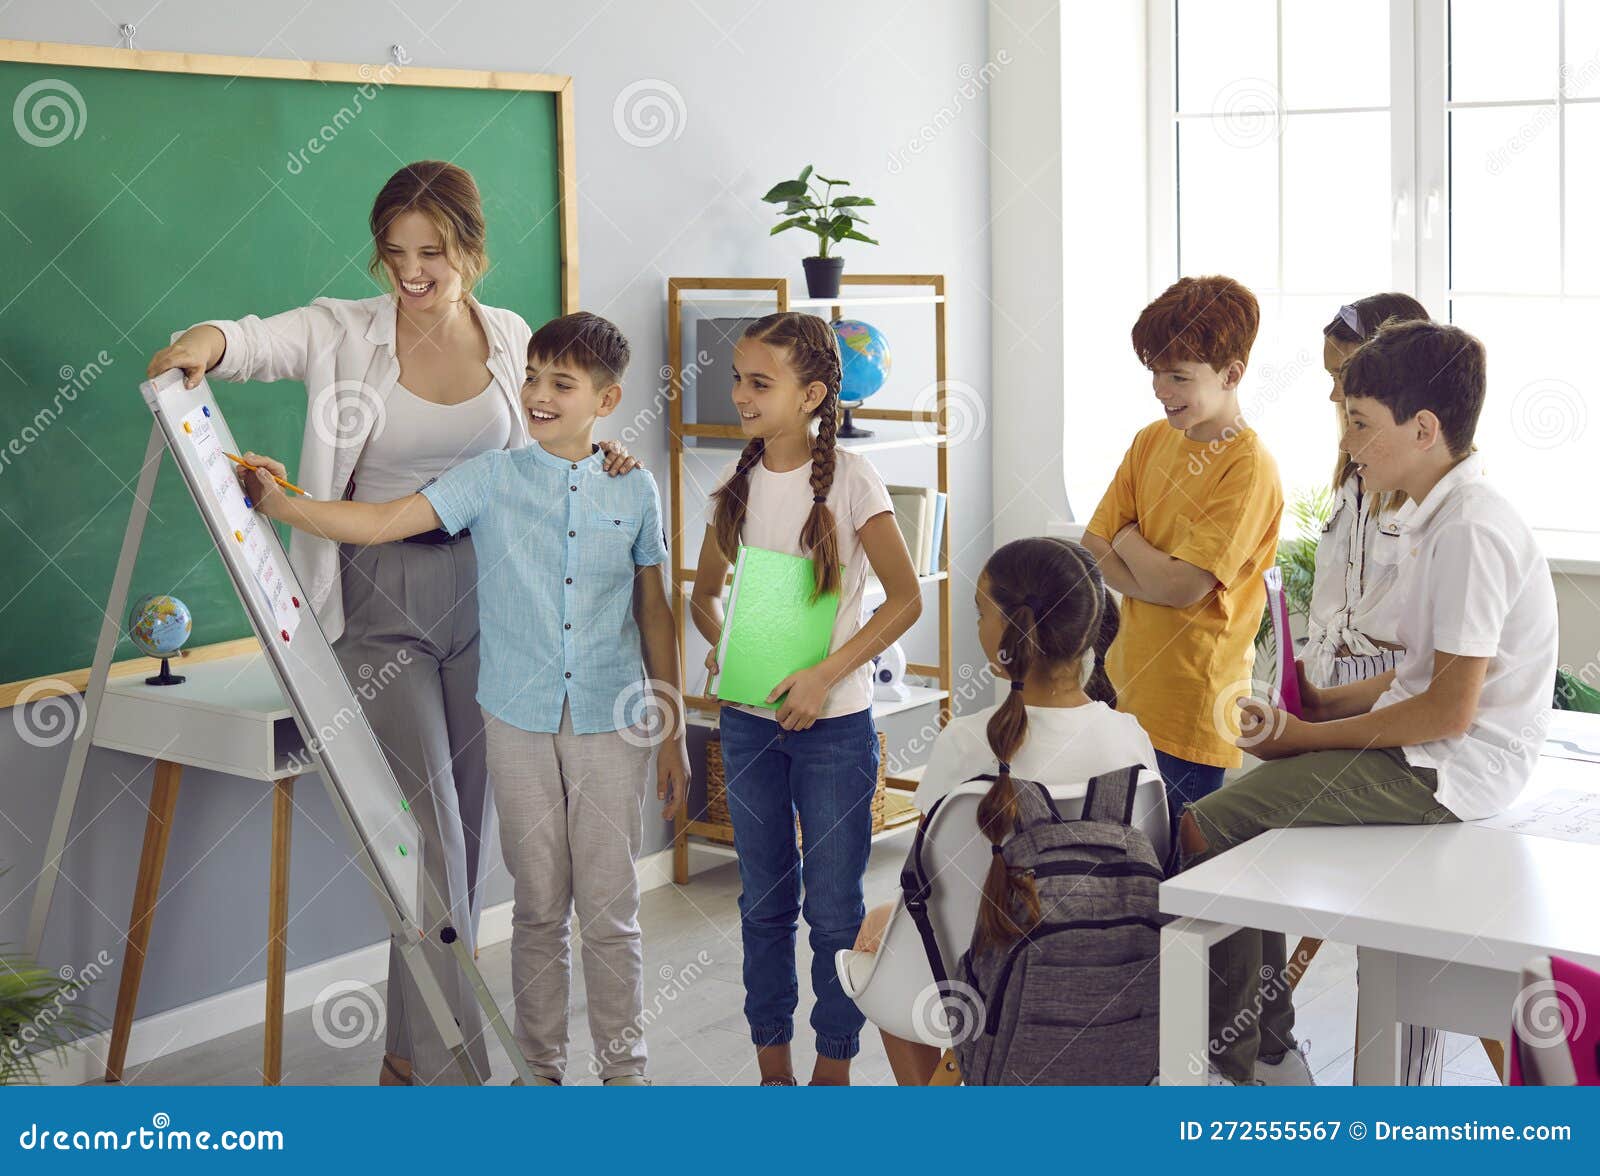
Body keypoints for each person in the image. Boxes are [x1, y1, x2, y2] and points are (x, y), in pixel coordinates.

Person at [145, 162, 639, 1085]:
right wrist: (198, 344)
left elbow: (543, 441)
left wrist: (597, 453)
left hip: (492, 599)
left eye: (434, 253)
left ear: (471, 252)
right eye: (396, 252)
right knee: (424, 834)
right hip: (380, 597)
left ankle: (411, 1059)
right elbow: (250, 341)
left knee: (471, 830)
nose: (412, 272)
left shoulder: (508, 336)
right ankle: (462, 1073)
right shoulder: (345, 331)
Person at [238, 311, 686, 1086]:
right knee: (538, 910)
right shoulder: (494, 478)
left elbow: (654, 608)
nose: (540, 395)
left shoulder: (634, 486)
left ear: (606, 400)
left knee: (610, 914)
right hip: (515, 720)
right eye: (534, 378)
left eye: (562, 384)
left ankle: (626, 1079)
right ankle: (539, 1073)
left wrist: (673, 730)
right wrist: (283, 504)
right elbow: (381, 522)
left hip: (614, 723)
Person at [1179, 319, 1559, 1086]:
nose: (1348, 444)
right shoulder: (1437, 516)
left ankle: (1246, 1059)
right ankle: (1266, 1047)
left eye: (1360, 423)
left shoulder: (1469, 532)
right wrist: (1319, 704)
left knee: (1206, 825)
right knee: (1239, 818)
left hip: (1452, 768)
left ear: (1423, 430)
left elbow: (1448, 712)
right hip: (1436, 747)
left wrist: (1303, 740)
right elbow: (1419, 676)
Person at [689, 312, 922, 1086]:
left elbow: (905, 599)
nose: (741, 394)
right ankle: (772, 1072)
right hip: (750, 726)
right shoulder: (735, 486)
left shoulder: (856, 483)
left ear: (813, 394)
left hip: (834, 730)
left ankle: (833, 1070)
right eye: (737, 379)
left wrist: (824, 676)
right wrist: (727, 644)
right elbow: (704, 597)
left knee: (832, 911)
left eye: (761, 382)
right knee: (762, 906)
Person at [853, 536, 1160, 1085]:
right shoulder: (1130, 738)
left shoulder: (965, 743)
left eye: (981, 613)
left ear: (1010, 631)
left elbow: (929, 887)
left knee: (879, 928)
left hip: (985, 986)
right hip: (1117, 973)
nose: (977, 628)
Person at [1082, 275, 1283, 848]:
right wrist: (1142, 557)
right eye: (1155, 372)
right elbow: (1094, 548)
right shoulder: (1151, 440)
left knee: (1177, 881)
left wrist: (1127, 538)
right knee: (1122, 874)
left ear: (1231, 374)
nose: (1160, 389)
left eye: (1178, 376)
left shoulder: (1248, 468)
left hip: (1195, 707)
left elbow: (1183, 588)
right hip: (1126, 691)